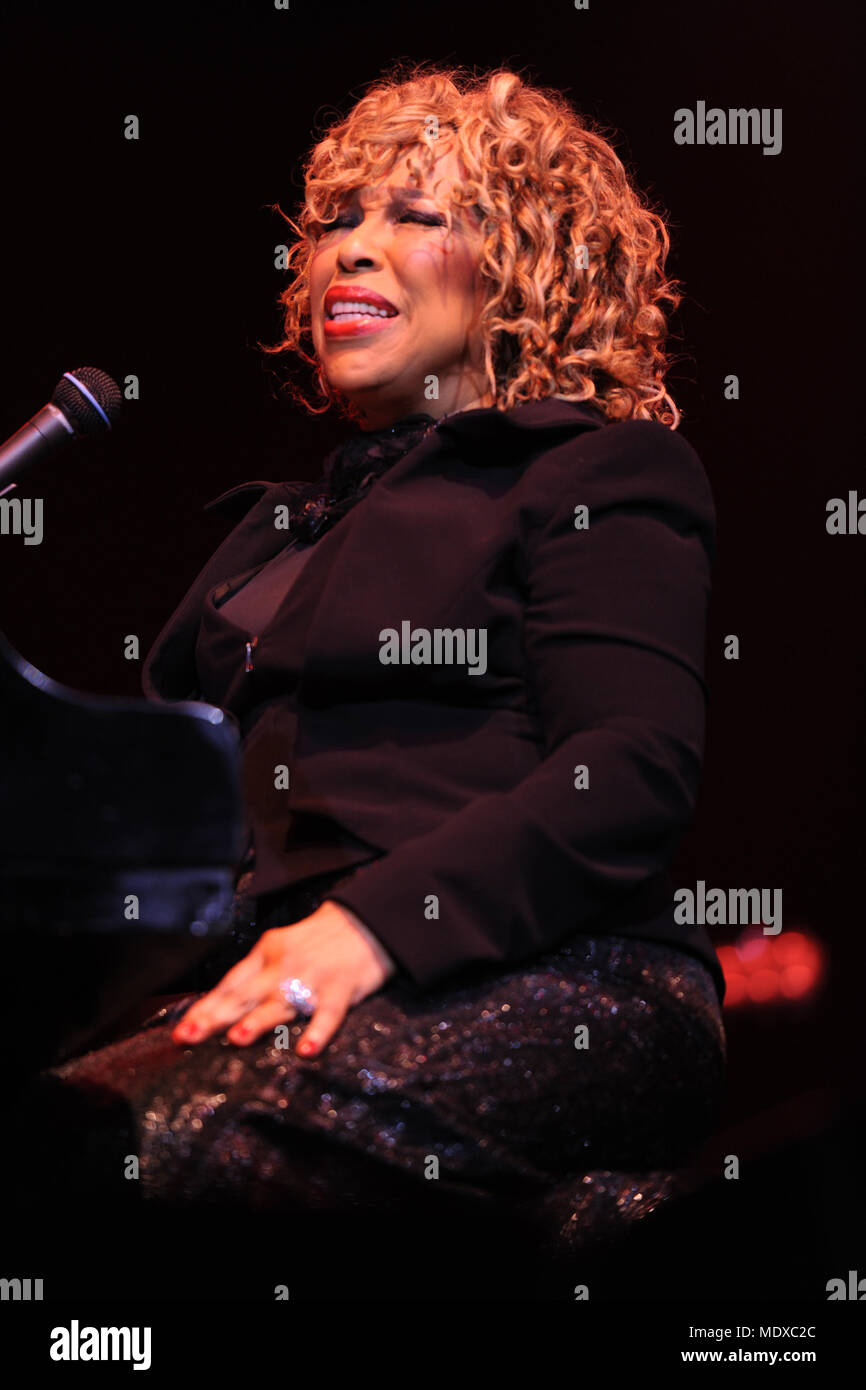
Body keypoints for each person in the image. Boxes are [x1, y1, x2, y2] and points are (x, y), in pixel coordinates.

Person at [32, 62, 727, 1235]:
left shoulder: (594, 471)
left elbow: (629, 765)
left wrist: (374, 926)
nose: (349, 250)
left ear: (525, 268)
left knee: (169, 1143)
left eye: (414, 216)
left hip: (557, 978)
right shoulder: (270, 537)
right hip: (275, 993)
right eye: (337, 222)